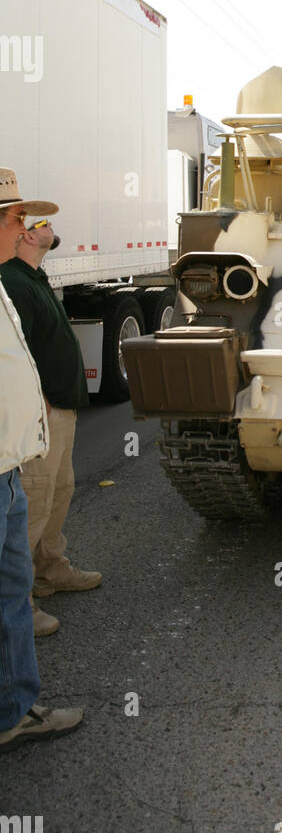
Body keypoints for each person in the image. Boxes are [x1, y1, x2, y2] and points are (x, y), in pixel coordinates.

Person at [0, 168, 83, 751]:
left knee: (57, 496)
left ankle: (12, 711)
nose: (25, 226)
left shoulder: (16, 279)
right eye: (16, 218)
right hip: (13, 450)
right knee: (7, 587)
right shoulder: (7, 279)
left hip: (21, 444)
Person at [0, 215, 100, 639]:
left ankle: (51, 570)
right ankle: (22, 601)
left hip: (61, 406)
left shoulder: (33, 276)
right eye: (38, 221)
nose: (47, 225)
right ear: (24, 235)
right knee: (35, 502)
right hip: (42, 411)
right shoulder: (13, 282)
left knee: (59, 491)